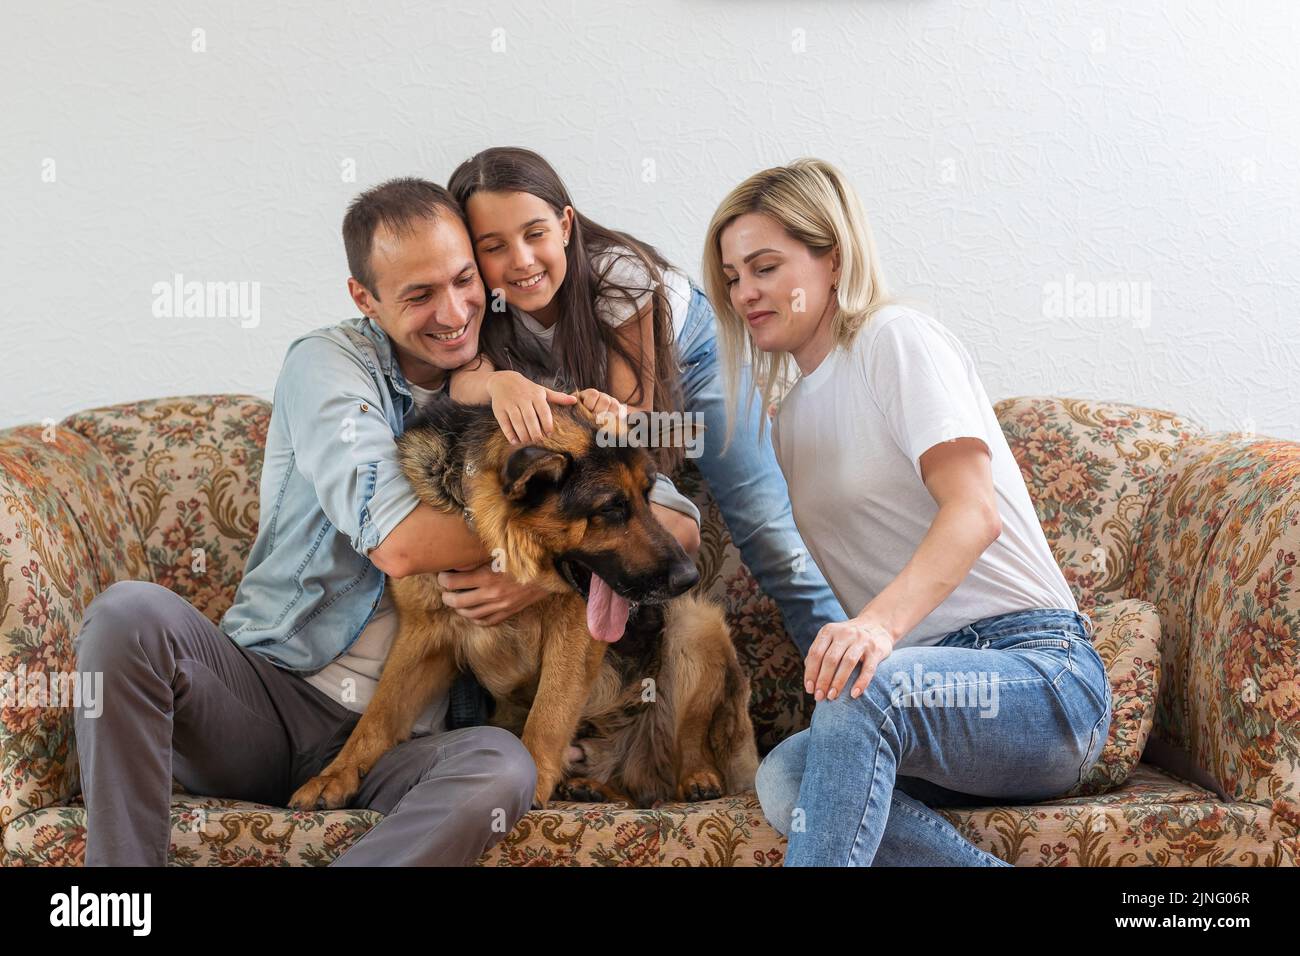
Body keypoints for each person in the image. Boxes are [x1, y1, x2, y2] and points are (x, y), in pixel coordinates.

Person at [73, 178, 540, 866]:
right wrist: (543, 556)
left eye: (464, 279)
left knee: (501, 767)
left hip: (402, 744)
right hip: (269, 702)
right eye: (418, 295)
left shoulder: (519, 370)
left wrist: (541, 576)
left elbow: (660, 518)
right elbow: (400, 543)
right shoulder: (327, 363)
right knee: (127, 616)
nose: (454, 310)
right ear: (365, 298)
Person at [702, 157, 1113, 866]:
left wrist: (873, 628)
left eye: (765, 267)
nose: (745, 292)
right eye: (733, 277)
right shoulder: (790, 421)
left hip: (1038, 676)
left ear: (832, 258)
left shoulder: (895, 340)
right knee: (787, 773)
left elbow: (973, 512)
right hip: (925, 699)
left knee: (866, 694)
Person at [444, 147, 843, 655]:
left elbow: (645, 430)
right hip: (613, 406)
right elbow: (460, 382)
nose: (520, 260)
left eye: (534, 234)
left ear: (565, 225)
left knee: (768, 531)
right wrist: (499, 384)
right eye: (493, 246)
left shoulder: (618, 275)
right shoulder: (476, 300)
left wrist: (614, 416)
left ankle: (858, 684)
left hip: (687, 369)